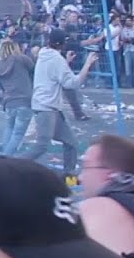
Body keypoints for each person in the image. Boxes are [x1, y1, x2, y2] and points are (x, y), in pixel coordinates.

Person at [24, 29, 97, 185]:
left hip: (50, 107)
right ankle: (10, 167)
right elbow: (72, 83)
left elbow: (55, 74)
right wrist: (87, 64)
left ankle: (68, 178)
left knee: (71, 143)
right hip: (46, 107)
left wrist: (66, 62)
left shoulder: (45, 55)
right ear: (62, 43)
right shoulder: (56, 59)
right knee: (42, 145)